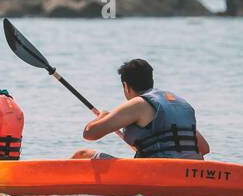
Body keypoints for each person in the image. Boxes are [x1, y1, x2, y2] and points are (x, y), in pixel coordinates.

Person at [72, 58, 210, 160]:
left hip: (159, 173)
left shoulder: (137, 104)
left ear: (126, 86)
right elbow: (204, 149)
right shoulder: (179, 104)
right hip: (193, 170)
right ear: (152, 81)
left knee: (81, 155)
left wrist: (103, 116)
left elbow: (89, 134)